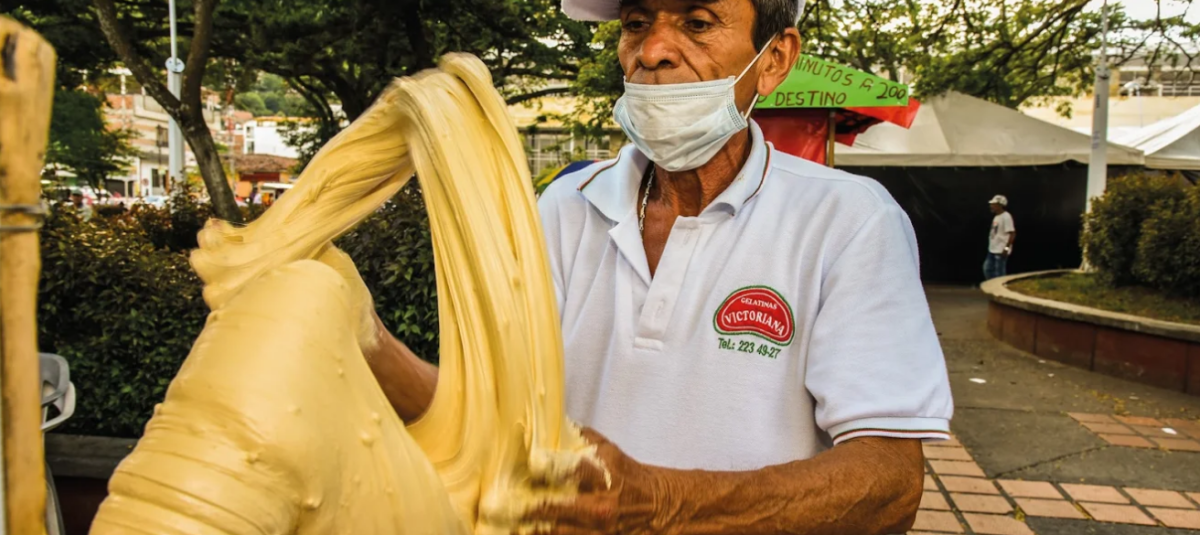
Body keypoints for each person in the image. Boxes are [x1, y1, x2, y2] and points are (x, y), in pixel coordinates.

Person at [363, 0, 953, 533]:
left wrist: (666, 505)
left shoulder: (848, 222)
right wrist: (364, 339)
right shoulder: (567, 209)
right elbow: (490, 416)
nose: (651, 52)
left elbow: (890, 484)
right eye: (636, 23)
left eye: (696, 23)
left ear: (774, 59)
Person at [984, 195, 1015, 281]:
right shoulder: (997, 217)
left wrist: (1006, 248)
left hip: (1000, 249)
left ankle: (999, 288)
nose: (991, 206)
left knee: (999, 272)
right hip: (993, 249)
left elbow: (1012, 233)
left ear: (1000, 205)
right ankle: (993, 286)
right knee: (987, 269)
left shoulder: (1006, 217)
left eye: (994, 204)